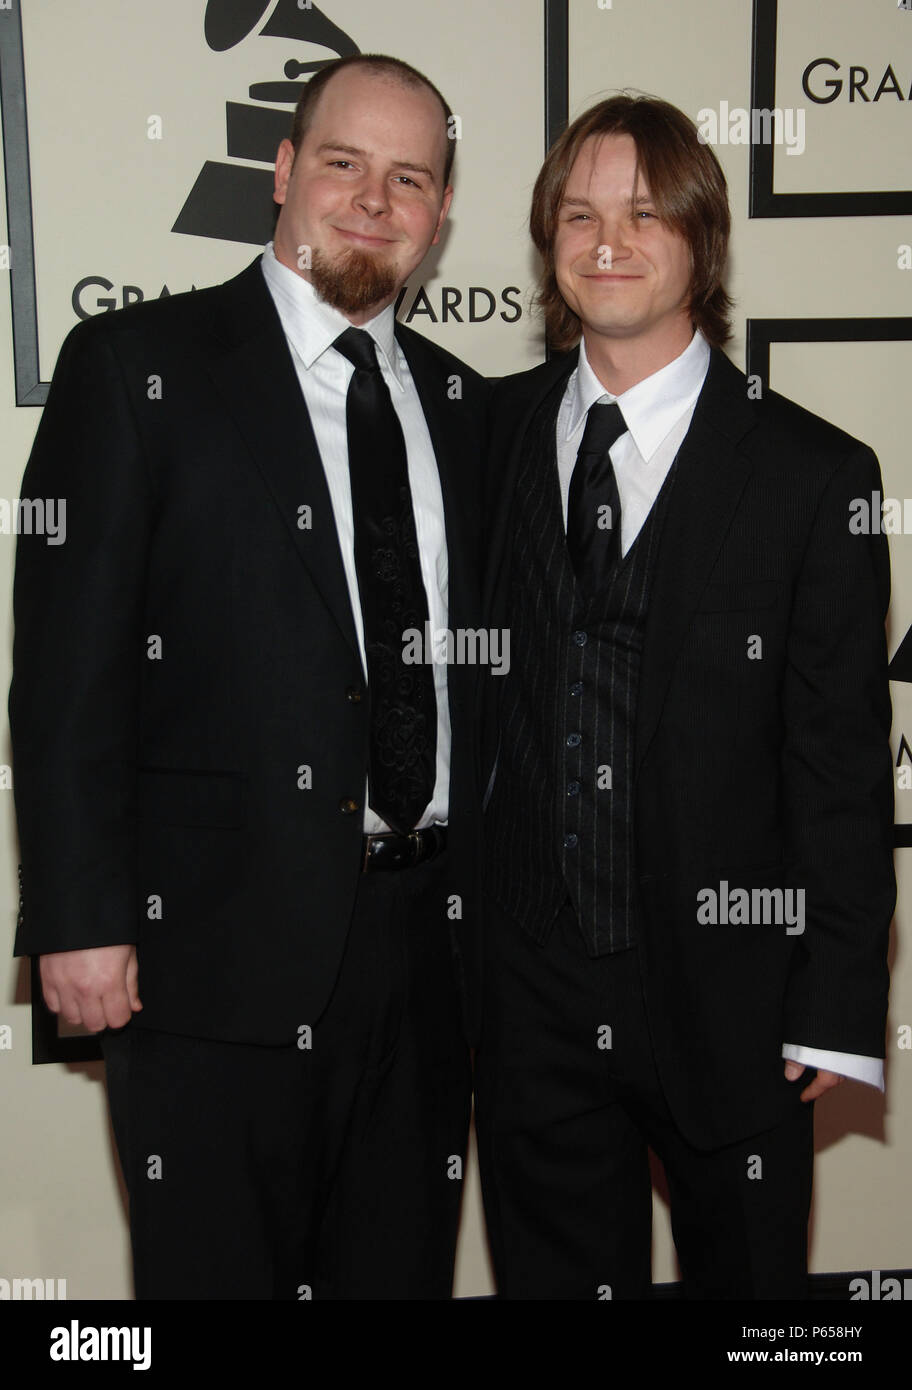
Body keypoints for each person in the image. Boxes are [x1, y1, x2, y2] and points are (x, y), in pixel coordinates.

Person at [10, 54, 488, 1300]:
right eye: (343, 163)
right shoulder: (136, 367)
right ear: (281, 173)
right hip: (205, 950)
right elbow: (67, 673)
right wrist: (78, 915)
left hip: (430, 955)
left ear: (441, 212)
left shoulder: (468, 408)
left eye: (411, 178)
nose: (374, 200)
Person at [474, 93, 894, 1300]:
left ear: (702, 240)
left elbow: (840, 763)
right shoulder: (490, 430)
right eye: (581, 212)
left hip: (731, 992)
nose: (610, 240)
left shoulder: (814, 474)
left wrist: (834, 1000)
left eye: (646, 212)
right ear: (549, 239)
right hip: (532, 989)